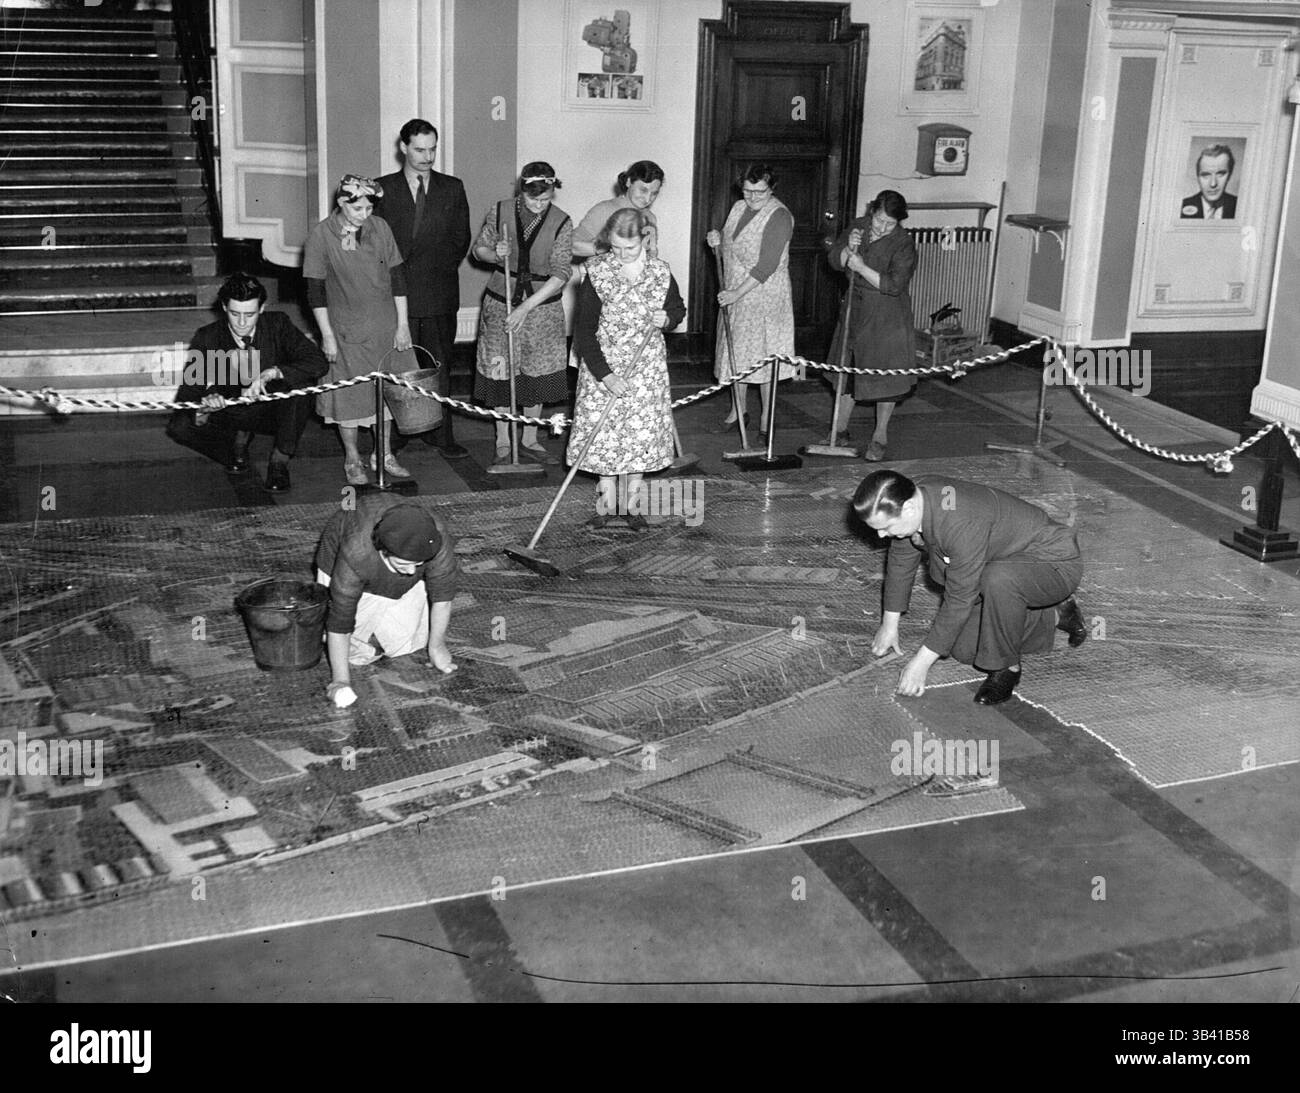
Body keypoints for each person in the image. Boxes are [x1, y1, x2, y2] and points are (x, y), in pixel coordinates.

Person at [854, 470, 1088, 706]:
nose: (881, 535)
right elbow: (901, 560)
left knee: (998, 579)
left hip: (1052, 561)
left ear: (909, 509)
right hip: (1001, 561)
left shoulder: (961, 520)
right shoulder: (913, 497)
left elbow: (959, 598)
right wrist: (889, 624)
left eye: (885, 527)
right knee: (965, 650)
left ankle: (1008, 668)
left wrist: (921, 663)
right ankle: (1055, 614)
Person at [567, 208, 685, 531]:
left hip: (645, 371)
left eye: (629, 249)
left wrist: (669, 318)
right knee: (605, 438)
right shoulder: (597, 272)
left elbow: (677, 308)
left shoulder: (660, 272)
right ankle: (605, 506)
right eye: (616, 247)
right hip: (602, 368)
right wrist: (606, 375)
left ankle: (632, 508)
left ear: (645, 239)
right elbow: (584, 330)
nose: (620, 255)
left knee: (637, 438)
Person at [166, 273, 327, 492]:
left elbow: (317, 361)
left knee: (301, 387)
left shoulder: (278, 324)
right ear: (224, 307)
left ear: (262, 309)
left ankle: (280, 461)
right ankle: (232, 449)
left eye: (250, 315)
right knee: (179, 426)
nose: (242, 322)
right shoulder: (207, 337)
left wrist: (273, 372)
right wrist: (204, 406)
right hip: (231, 409)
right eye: (235, 313)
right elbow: (187, 395)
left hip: (271, 406)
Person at [304, 173, 416, 487]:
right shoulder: (321, 235)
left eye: (369, 209)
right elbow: (315, 291)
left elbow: (398, 278)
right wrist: (326, 335)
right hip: (345, 331)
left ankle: (384, 454)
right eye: (357, 210)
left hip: (385, 326)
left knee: (387, 396)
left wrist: (403, 325)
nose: (364, 215)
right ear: (342, 203)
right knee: (349, 398)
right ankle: (352, 458)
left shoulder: (380, 228)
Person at [375, 118, 472, 460]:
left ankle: (441, 434)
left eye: (432, 149)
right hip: (394, 294)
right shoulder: (381, 189)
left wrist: (434, 271)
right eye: (420, 149)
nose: (428, 156)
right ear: (403, 148)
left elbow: (462, 239)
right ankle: (398, 433)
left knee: (440, 364)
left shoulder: (452, 187)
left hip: (438, 291)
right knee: (399, 366)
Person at [471, 162, 573, 465]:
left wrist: (526, 308)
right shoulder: (500, 211)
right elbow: (479, 250)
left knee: (537, 372)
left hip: (542, 308)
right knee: (500, 370)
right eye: (533, 200)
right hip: (500, 301)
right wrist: (494, 253)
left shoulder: (562, 221)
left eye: (546, 199)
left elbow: (561, 272)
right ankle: (502, 439)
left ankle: (529, 437)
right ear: (522, 191)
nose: (540, 206)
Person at [315, 494, 459, 708]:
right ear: (384, 551)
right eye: (404, 564)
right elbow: (340, 621)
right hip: (343, 564)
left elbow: (443, 598)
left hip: (388, 561)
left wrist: (437, 646)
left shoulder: (435, 539)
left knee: (408, 645)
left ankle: (376, 625)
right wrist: (340, 681)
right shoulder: (356, 553)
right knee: (354, 655)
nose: (412, 572)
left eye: (418, 563)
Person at [827, 190, 918, 462]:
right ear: (872, 212)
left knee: (885, 377)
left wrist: (862, 267)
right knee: (847, 371)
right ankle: (839, 430)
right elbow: (833, 260)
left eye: (890, 224)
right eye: (879, 220)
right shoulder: (859, 226)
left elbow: (894, 285)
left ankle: (879, 436)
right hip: (854, 312)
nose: (882, 228)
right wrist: (846, 249)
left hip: (886, 316)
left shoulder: (903, 243)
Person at [707, 163, 796, 435]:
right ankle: (738, 411)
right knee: (738, 355)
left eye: (760, 192)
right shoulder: (737, 207)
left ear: (772, 189)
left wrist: (736, 293)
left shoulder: (779, 216)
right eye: (747, 191)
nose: (753, 197)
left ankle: (767, 419)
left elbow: (766, 265)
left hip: (765, 297)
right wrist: (716, 240)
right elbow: (732, 244)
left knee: (764, 358)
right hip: (736, 294)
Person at [572, 160, 664, 259]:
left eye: (654, 193)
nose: (648, 198)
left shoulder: (650, 217)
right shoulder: (604, 210)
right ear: (629, 182)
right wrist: (608, 248)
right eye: (643, 190)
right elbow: (571, 245)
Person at [1180, 144, 1237, 219]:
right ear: (1197, 177)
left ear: (1229, 175)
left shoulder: (1241, 206)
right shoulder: (1180, 207)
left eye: (1220, 174)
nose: (1213, 184)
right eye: (1205, 175)